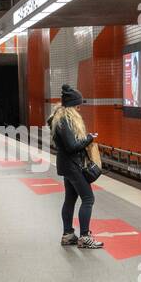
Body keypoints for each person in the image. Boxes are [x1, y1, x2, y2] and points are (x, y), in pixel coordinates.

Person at [49, 84, 103, 249]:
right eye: (78, 105)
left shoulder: (61, 119)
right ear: (72, 105)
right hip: (72, 165)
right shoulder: (64, 121)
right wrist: (88, 138)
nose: (80, 108)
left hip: (68, 165)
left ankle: (68, 234)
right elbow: (72, 146)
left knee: (70, 199)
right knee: (88, 198)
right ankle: (84, 237)